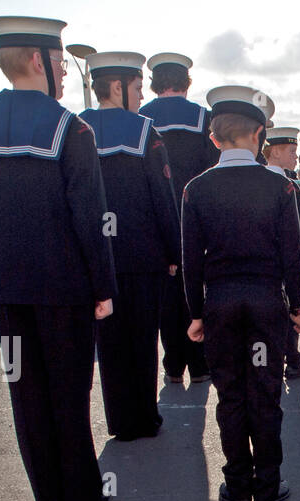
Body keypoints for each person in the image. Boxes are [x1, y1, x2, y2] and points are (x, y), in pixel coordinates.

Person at [0, 16, 116, 501]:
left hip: (9, 285)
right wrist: (102, 284)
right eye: (61, 61)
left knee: (26, 394)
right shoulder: (71, 127)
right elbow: (89, 218)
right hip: (65, 284)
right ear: (37, 60)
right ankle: (81, 497)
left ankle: (48, 498)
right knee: (70, 390)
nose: (66, 73)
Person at [182, 85, 300, 501]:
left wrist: (196, 314)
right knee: (265, 391)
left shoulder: (196, 189)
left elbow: (190, 262)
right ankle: (268, 484)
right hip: (264, 305)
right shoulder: (279, 187)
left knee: (231, 393)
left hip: (219, 304)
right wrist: (296, 307)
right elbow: (291, 253)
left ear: (214, 139)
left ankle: (237, 484)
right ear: (259, 135)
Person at [81, 51, 180, 441]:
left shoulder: (76, 129)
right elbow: (162, 197)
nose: (140, 96)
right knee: (142, 339)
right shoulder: (145, 132)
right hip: (142, 254)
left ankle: (120, 421)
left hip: (96, 254)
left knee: (109, 345)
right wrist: (174, 252)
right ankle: (144, 417)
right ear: (119, 87)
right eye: (137, 88)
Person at [139, 52, 216, 386]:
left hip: (154, 222)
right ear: (187, 82)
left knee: (167, 297)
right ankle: (200, 364)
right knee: (197, 290)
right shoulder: (204, 117)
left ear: (155, 83)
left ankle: (172, 365)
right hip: (196, 217)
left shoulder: (140, 118)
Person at [262, 124, 300, 379]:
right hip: (284, 261)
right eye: (292, 151)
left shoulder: (263, 182)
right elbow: (297, 234)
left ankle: (277, 359)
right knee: (292, 308)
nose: (296, 156)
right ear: (275, 152)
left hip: (267, 264)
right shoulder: (286, 186)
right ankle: (292, 360)